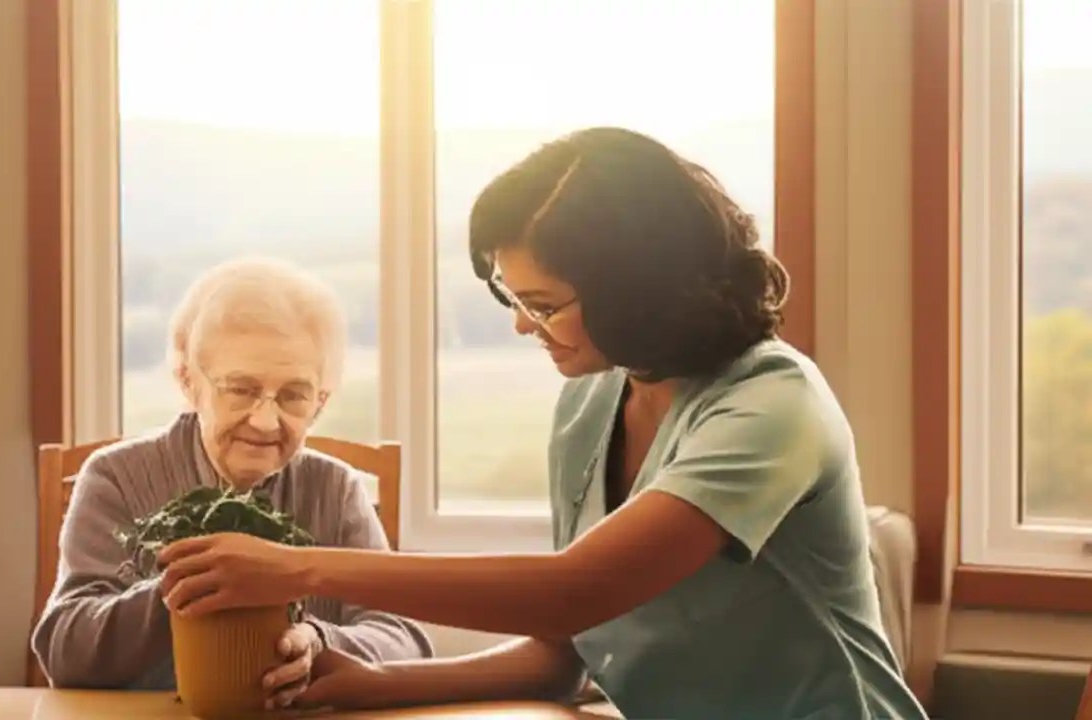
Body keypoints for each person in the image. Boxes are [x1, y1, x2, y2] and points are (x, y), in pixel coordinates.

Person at [155, 128, 928, 719]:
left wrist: (298, 567)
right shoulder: (591, 402)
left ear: (639, 289)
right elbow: (564, 654)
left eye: (544, 304)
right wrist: (373, 683)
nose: (526, 328)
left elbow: (570, 595)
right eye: (513, 300)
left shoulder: (771, 407)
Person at [30, 257, 433, 707]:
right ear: (189, 382)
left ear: (319, 403)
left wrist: (319, 644)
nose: (264, 421)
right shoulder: (115, 478)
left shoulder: (335, 489)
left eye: (293, 395)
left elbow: (404, 641)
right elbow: (64, 650)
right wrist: (187, 590)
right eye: (240, 389)